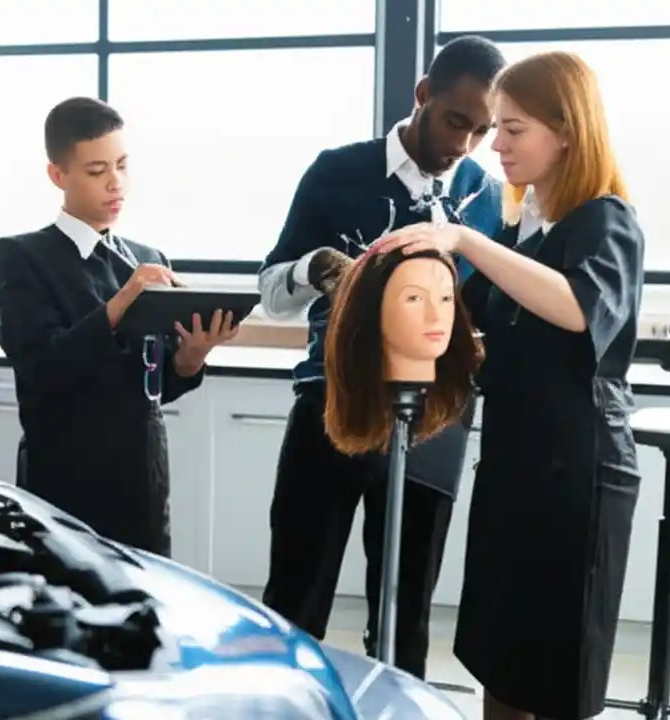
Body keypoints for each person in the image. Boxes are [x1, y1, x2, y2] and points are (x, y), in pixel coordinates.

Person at [382, 51, 644, 720]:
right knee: (500, 659)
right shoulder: (523, 231)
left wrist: (465, 242)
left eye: (513, 128)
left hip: (575, 477)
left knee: (552, 670)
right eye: (496, 127)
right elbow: (483, 329)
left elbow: (579, 308)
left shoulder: (605, 221)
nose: (494, 144)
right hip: (513, 467)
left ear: (568, 131)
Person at [255, 35, 508, 678]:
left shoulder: (485, 194)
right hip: (332, 400)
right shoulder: (336, 172)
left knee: (407, 612)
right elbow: (271, 292)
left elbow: (486, 309)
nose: (465, 144)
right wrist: (314, 269)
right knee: (296, 595)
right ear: (423, 95)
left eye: (483, 131)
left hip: (437, 416)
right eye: (456, 121)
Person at [0, 97, 238, 555]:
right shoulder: (21, 256)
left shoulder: (148, 258)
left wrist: (191, 356)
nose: (115, 183)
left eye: (122, 166)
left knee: (147, 592)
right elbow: (44, 367)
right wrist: (123, 300)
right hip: (63, 479)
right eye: (96, 170)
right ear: (58, 175)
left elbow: (154, 385)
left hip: (143, 480)